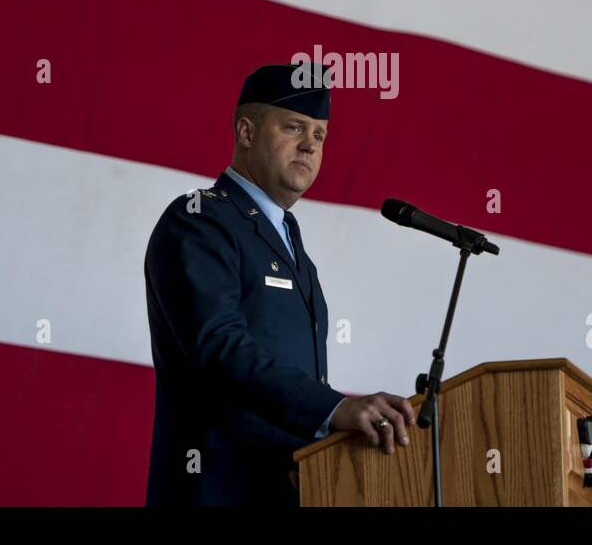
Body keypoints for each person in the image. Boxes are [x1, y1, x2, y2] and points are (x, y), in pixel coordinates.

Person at [143, 62, 416, 506]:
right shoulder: (199, 220)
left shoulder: (289, 244)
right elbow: (218, 345)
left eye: (320, 136)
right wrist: (335, 408)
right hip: (215, 490)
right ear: (246, 132)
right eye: (294, 127)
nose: (309, 145)